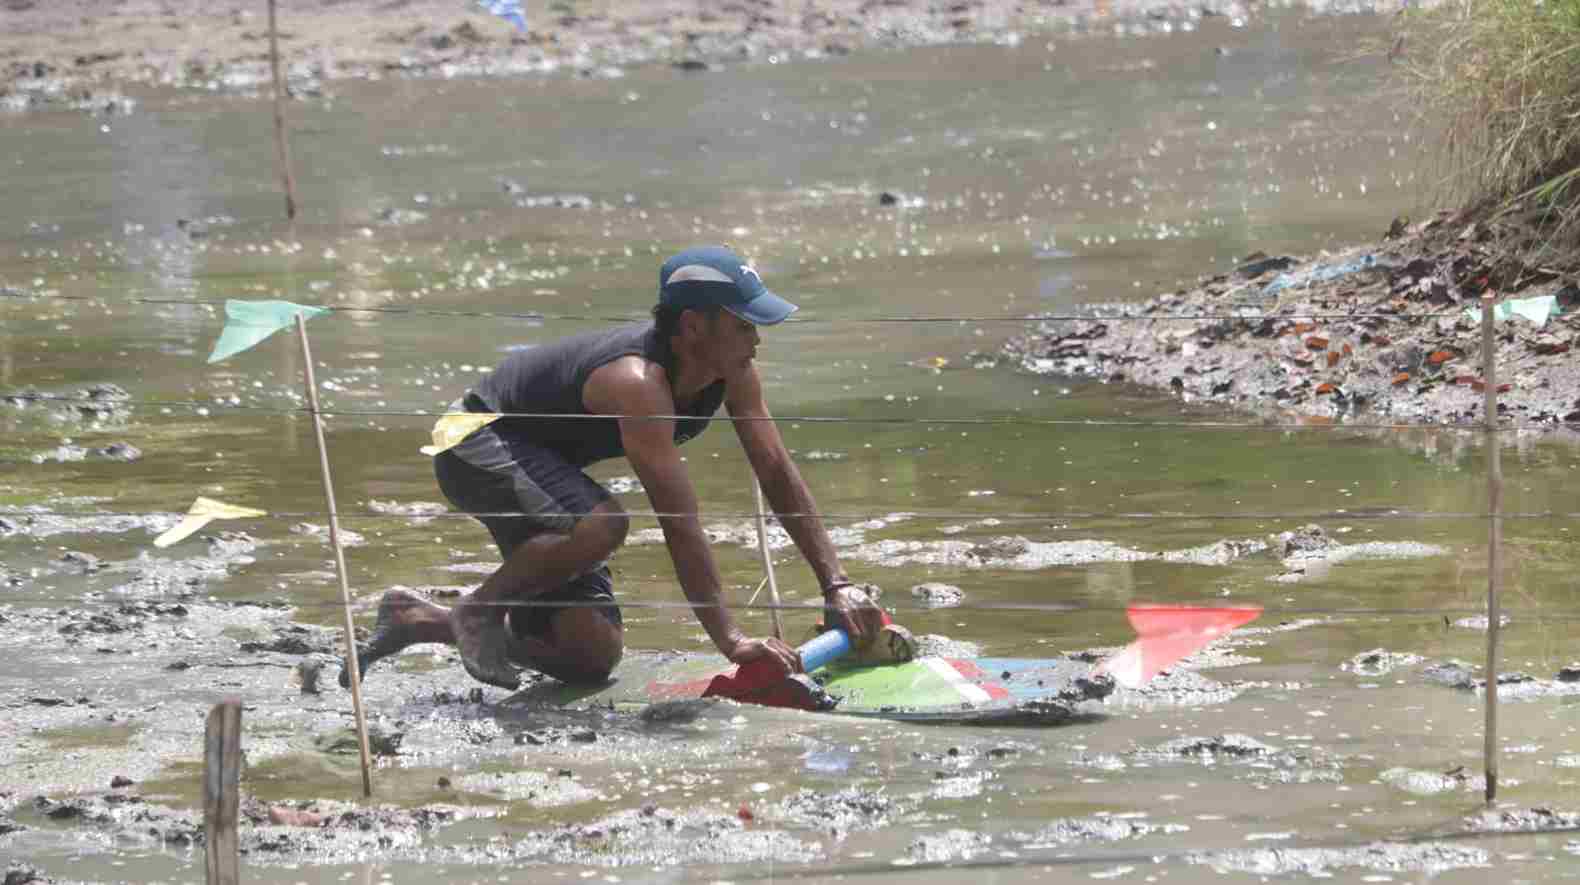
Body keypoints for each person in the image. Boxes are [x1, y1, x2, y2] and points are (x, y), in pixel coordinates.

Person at [343, 246, 885, 691]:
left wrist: (835, 584)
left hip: (547, 466)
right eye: (744, 325)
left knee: (589, 656)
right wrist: (732, 641)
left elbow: (775, 469)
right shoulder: (637, 383)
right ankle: (479, 611)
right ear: (695, 327)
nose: (757, 339)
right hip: (476, 441)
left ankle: (420, 619)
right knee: (604, 524)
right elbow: (679, 518)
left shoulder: (735, 368)